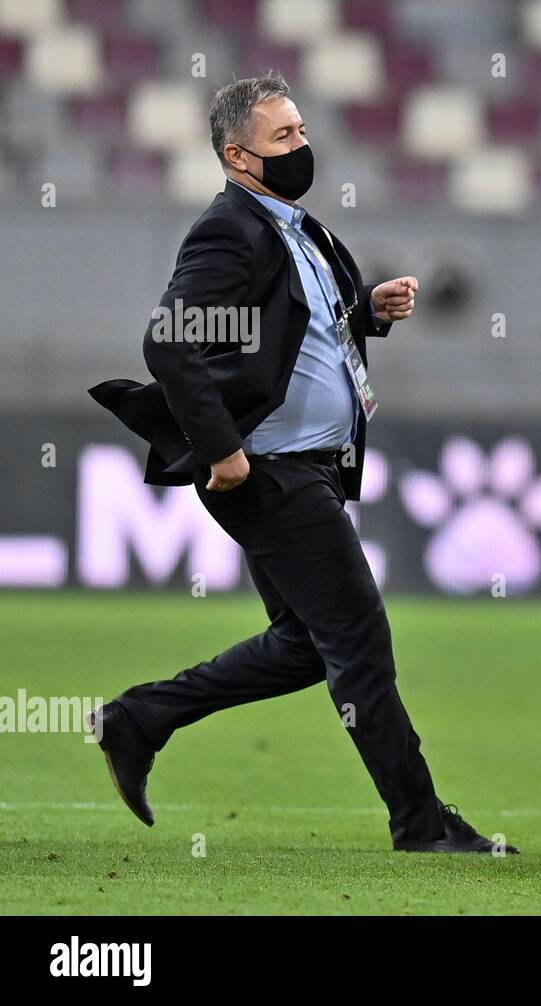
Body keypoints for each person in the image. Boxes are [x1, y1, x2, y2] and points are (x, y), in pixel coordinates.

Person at [86, 72, 509, 854]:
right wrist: (223, 452)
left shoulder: (291, 226)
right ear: (236, 155)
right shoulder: (231, 232)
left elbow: (290, 334)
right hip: (270, 471)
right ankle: (421, 825)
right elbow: (169, 341)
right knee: (360, 642)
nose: (302, 147)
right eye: (284, 138)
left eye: (303, 131)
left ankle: (139, 718)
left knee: (308, 645)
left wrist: (366, 314)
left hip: (304, 468)